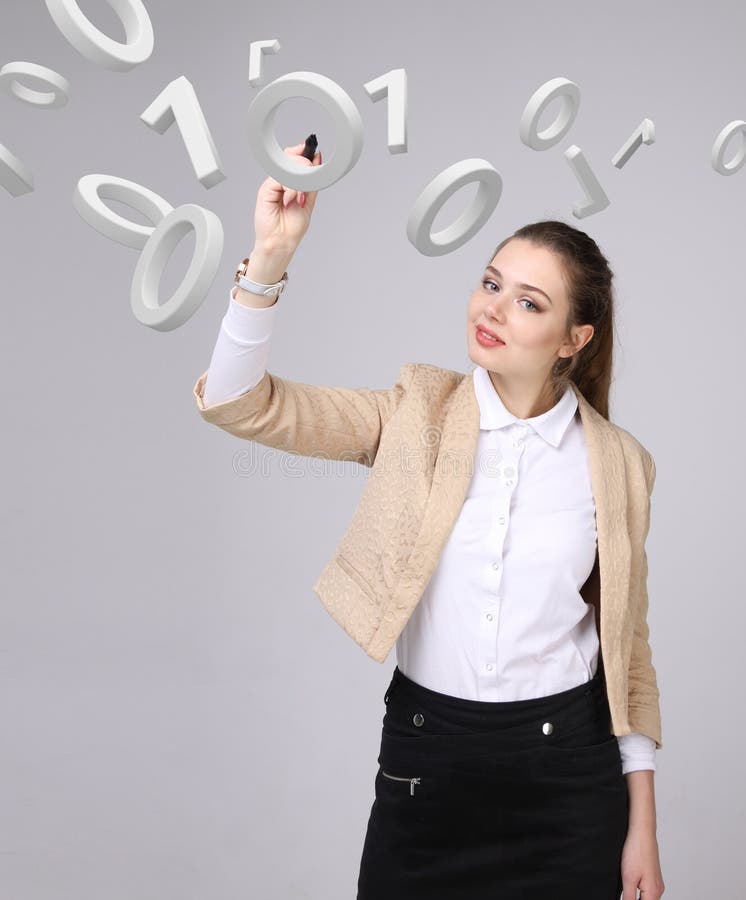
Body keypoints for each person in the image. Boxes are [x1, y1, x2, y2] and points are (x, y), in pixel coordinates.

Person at [192, 141, 666, 900]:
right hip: (426, 764)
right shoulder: (415, 412)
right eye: (490, 283)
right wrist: (269, 260)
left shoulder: (621, 465)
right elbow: (241, 403)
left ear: (574, 340)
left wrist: (641, 824)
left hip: (570, 789)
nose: (493, 309)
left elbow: (628, 652)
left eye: (529, 302)